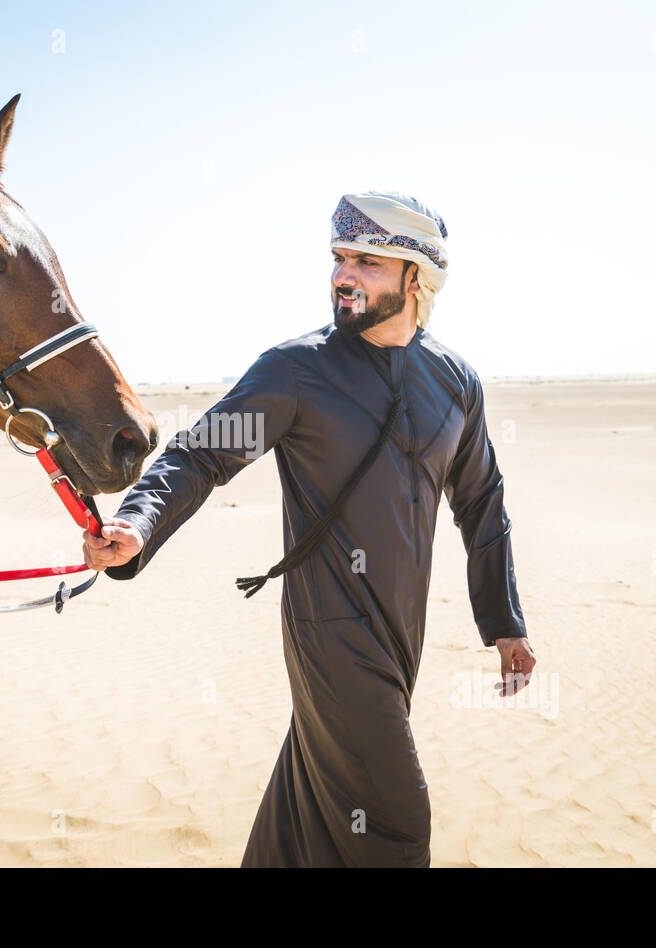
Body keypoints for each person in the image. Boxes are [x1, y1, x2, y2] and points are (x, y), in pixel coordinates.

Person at [81, 189, 536, 867]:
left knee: (311, 807)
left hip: (398, 633)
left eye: (367, 262)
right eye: (338, 258)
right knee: (396, 824)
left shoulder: (454, 382)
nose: (342, 275)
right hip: (329, 630)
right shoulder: (297, 370)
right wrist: (138, 522)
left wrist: (505, 621)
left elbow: (481, 499)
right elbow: (201, 451)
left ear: (418, 278)